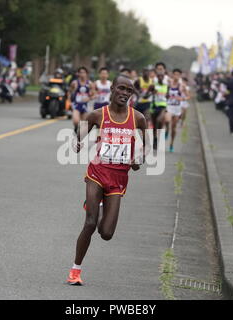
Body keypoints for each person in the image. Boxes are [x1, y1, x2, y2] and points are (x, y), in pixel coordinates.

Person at [67, 75, 148, 286]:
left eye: (129, 90)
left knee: (106, 233)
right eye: (121, 88)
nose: (124, 93)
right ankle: (75, 271)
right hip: (97, 172)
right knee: (91, 223)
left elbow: (145, 149)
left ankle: (99, 204)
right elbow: (82, 130)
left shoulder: (138, 118)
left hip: (119, 179)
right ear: (112, 89)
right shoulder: (97, 115)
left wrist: (138, 160)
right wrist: (78, 141)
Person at [165, 69, 187, 152]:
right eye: (175, 74)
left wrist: (182, 98)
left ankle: (171, 144)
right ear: (173, 75)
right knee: (167, 120)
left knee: (173, 128)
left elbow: (188, 96)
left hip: (177, 109)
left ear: (180, 76)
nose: (176, 76)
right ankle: (167, 130)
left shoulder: (182, 86)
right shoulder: (169, 83)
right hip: (169, 106)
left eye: (178, 75)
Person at [69, 67, 94, 133]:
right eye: (80, 72)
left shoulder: (90, 83)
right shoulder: (75, 83)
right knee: (76, 121)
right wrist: (70, 99)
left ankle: (80, 137)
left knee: (84, 124)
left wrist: (89, 98)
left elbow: (94, 94)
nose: (82, 74)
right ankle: (76, 127)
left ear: (86, 74)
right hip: (76, 104)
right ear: (78, 74)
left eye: (84, 72)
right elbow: (69, 92)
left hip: (85, 105)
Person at [150, 72, 168, 151]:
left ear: (164, 77)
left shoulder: (166, 86)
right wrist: (153, 92)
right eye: (159, 76)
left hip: (163, 106)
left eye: (162, 76)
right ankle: (155, 140)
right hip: (154, 106)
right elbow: (149, 93)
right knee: (155, 125)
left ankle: (158, 139)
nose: (160, 77)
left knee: (159, 121)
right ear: (157, 77)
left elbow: (168, 96)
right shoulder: (154, 85)